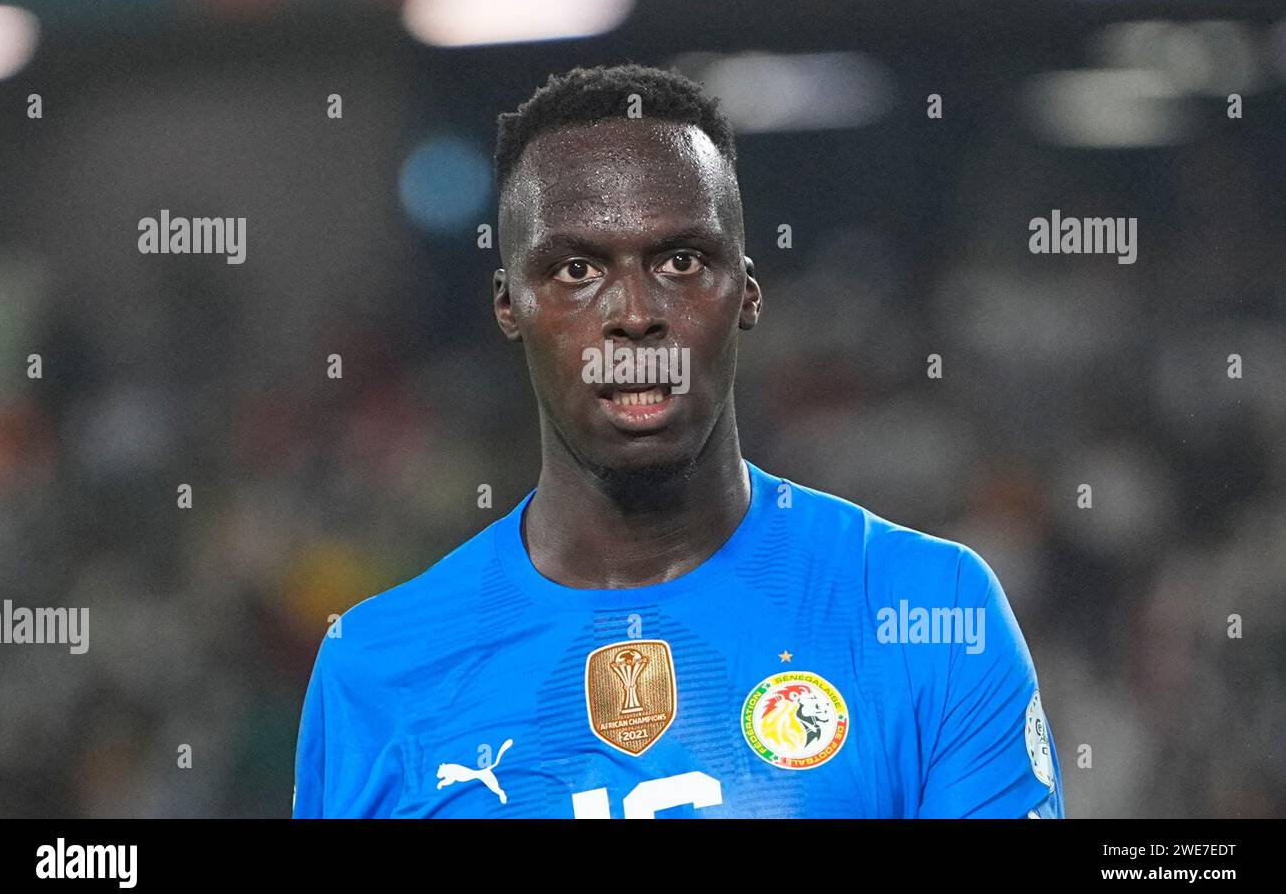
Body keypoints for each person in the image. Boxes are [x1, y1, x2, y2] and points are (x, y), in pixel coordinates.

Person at [292, 62, 1064, 818]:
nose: (634, 313)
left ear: (748, 292)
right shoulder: (378, 670)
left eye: (680, 260)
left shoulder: (928, 610)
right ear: (509, 304)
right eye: (575, 269)